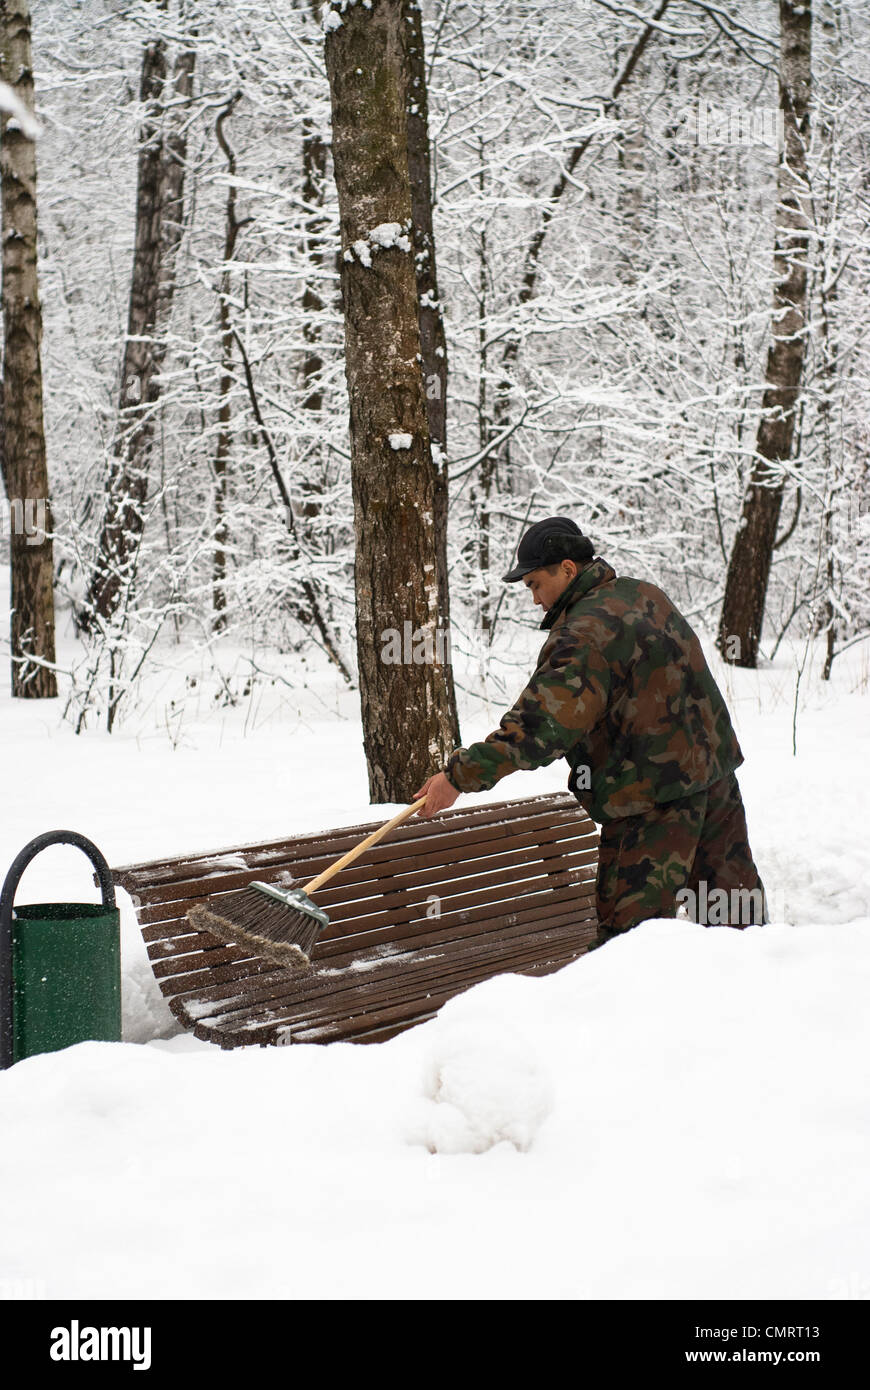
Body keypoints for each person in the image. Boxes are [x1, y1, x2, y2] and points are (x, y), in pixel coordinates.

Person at [414, 517, 766, 946]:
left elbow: (539, 727)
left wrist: (457, 777)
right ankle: (756, 1007)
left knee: (629, 946)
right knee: (738, 924)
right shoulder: (642, 593)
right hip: (714, 782)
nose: (534, 599)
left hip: (649, 802)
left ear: (567, 568)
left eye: (535, 584)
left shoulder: (584, 632)